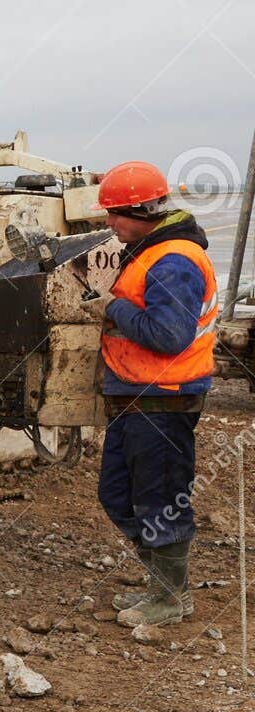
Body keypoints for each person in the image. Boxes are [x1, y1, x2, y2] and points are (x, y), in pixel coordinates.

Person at [96, 161, 217, 628]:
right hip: (137, 395)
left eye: (115, 215)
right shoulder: (151, 250)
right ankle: (163, 582)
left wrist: (114, 308)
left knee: (160, 497)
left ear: (142, 211)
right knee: (117, 494)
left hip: (164, 397)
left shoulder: (174, 260)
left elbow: (168, 335)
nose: (109, 224)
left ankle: (170, 596)